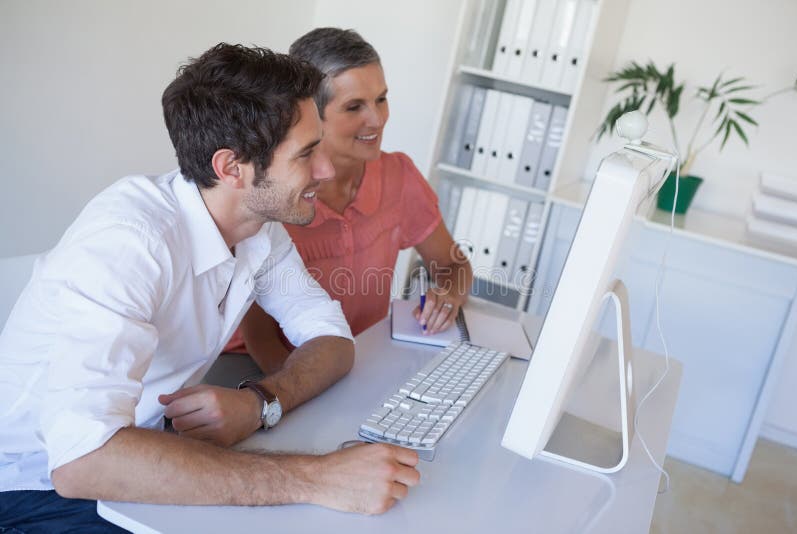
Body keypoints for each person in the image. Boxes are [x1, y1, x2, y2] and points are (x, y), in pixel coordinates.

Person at [0, 43, 419, 531]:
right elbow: (81, 462)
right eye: (307, 154)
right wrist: (316, 478)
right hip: (31, 487)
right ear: (231, 168)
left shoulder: (259, 229)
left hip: (136, 450)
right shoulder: (129, 242)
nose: (325, 171)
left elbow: (331, 338)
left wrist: (260, 402)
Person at [226, 28, 472, 372]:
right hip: (262, 365)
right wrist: (304, 391)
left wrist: (448, 295)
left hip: (356, 357)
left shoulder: (399, 176)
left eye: (381, 99)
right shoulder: (276, 194)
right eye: (354, 107)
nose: (378, 119)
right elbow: (261, 341)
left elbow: (453, 264)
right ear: (309, 114)